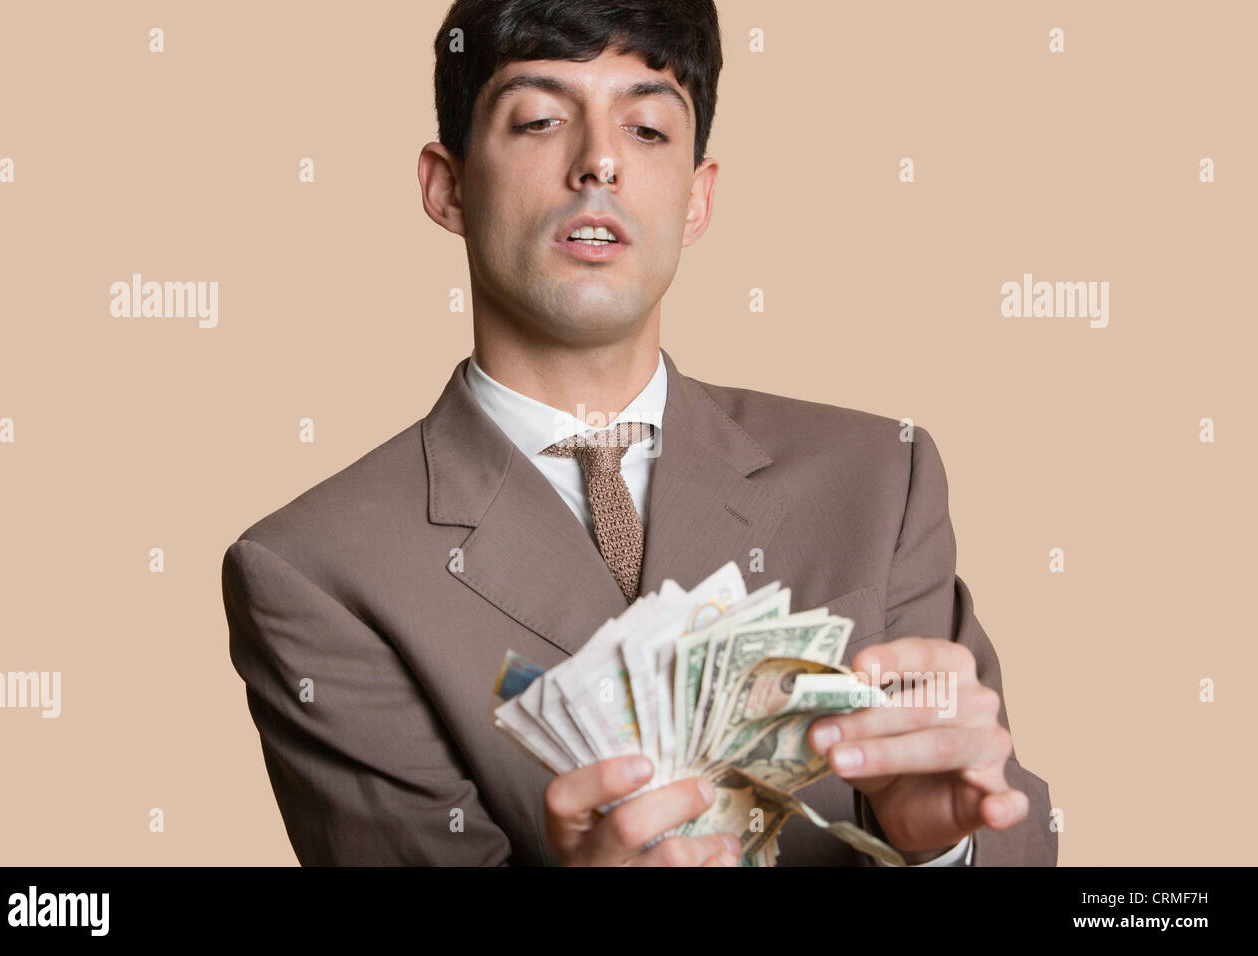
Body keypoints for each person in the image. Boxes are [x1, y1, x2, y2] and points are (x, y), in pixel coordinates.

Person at [222, 0, 1058, 867]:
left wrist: (938, 849)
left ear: (698, 200)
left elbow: (1022, 836)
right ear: (448, 187)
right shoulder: (316, 570)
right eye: (540, 119)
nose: (600, 162)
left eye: (649, 129)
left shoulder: (882, 477)